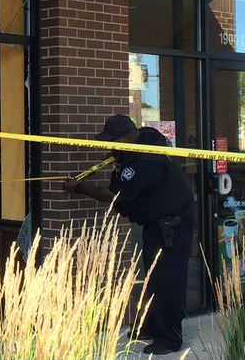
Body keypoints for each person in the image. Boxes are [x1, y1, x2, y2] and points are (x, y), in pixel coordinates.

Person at [64, 114, 195, 356]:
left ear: (124, 137)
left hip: (172, 226)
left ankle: (169, 338)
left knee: (168, 281)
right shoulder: (145, 140)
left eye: (113, 141)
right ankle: (151, 325)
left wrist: (79, 188)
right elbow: (127, 164)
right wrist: (118, 158)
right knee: (154, 276)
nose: (110, 146)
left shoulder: (144, 162)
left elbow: (114, 195)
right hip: (159, 223)